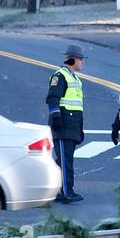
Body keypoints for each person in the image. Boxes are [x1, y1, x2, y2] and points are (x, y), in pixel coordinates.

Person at [46, 43, 85, 204]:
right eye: (81, 59)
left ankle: (56, 190)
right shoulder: (60, 76)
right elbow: (52, 98)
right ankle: (67, 192)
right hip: (63, 125)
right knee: (65, 161)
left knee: (63, 161)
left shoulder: (75, 78)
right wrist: (56, 116)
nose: (82, 62)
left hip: (72, 126)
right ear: (73, 59)